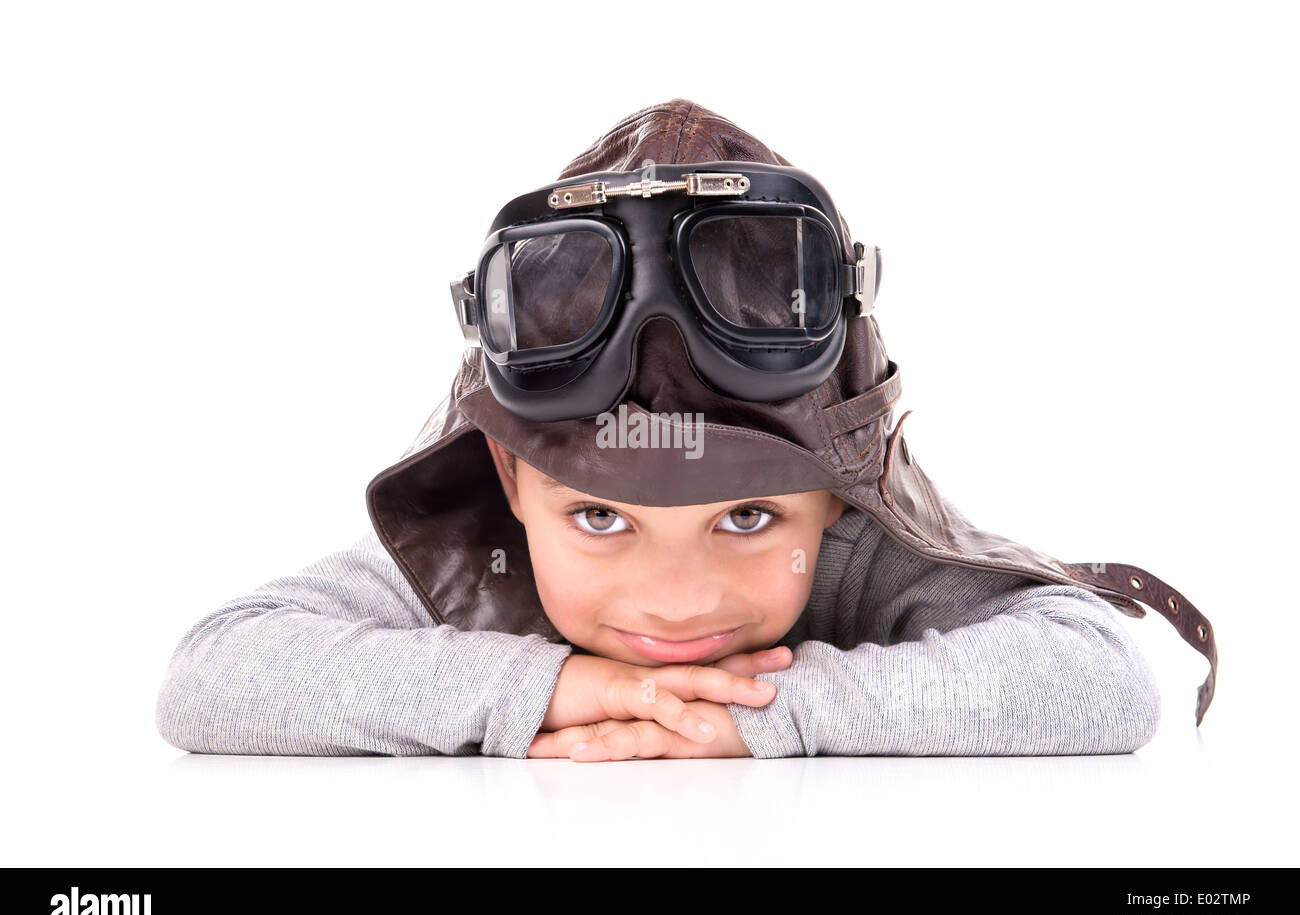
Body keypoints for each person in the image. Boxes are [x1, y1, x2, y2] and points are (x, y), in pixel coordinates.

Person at [155, 98, 1216, 761]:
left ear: (836, 494)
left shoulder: (854, 554)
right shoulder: (479, 553)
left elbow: (1098, 679)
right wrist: (560, 689)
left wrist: (763, 715)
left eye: (748, 514)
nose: (674, 602)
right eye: (602, 518)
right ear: (510, 480)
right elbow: (212, 676)